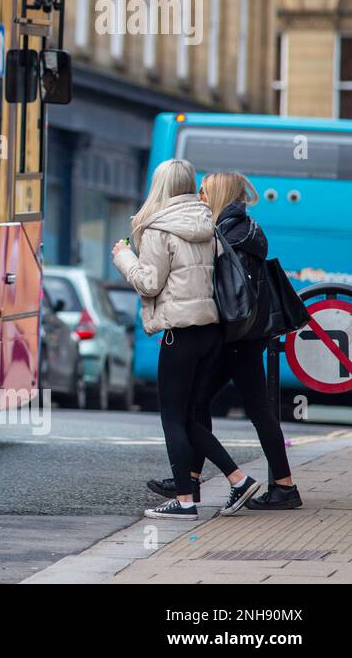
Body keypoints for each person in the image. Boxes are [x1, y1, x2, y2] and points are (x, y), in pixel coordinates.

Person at [112, 158, 261, 519]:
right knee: (192, 416)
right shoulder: (207, 223)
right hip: (210, 331)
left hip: (180, 333)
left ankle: (184, 501)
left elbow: (149, 282)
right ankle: (238, 479)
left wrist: (123, 258)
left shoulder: (158, 229)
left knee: (173, 419)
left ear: (159, 186)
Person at [144, 172, 301, 511]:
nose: (199, 196)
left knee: (218, 407)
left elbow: (226, 289)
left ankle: (266, 485)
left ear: (218, 194)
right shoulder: (246, 229)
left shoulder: (227, 233)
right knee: (209, 405)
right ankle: (194, 479)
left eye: (204, 191)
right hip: (245, 334)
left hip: (235, 336)